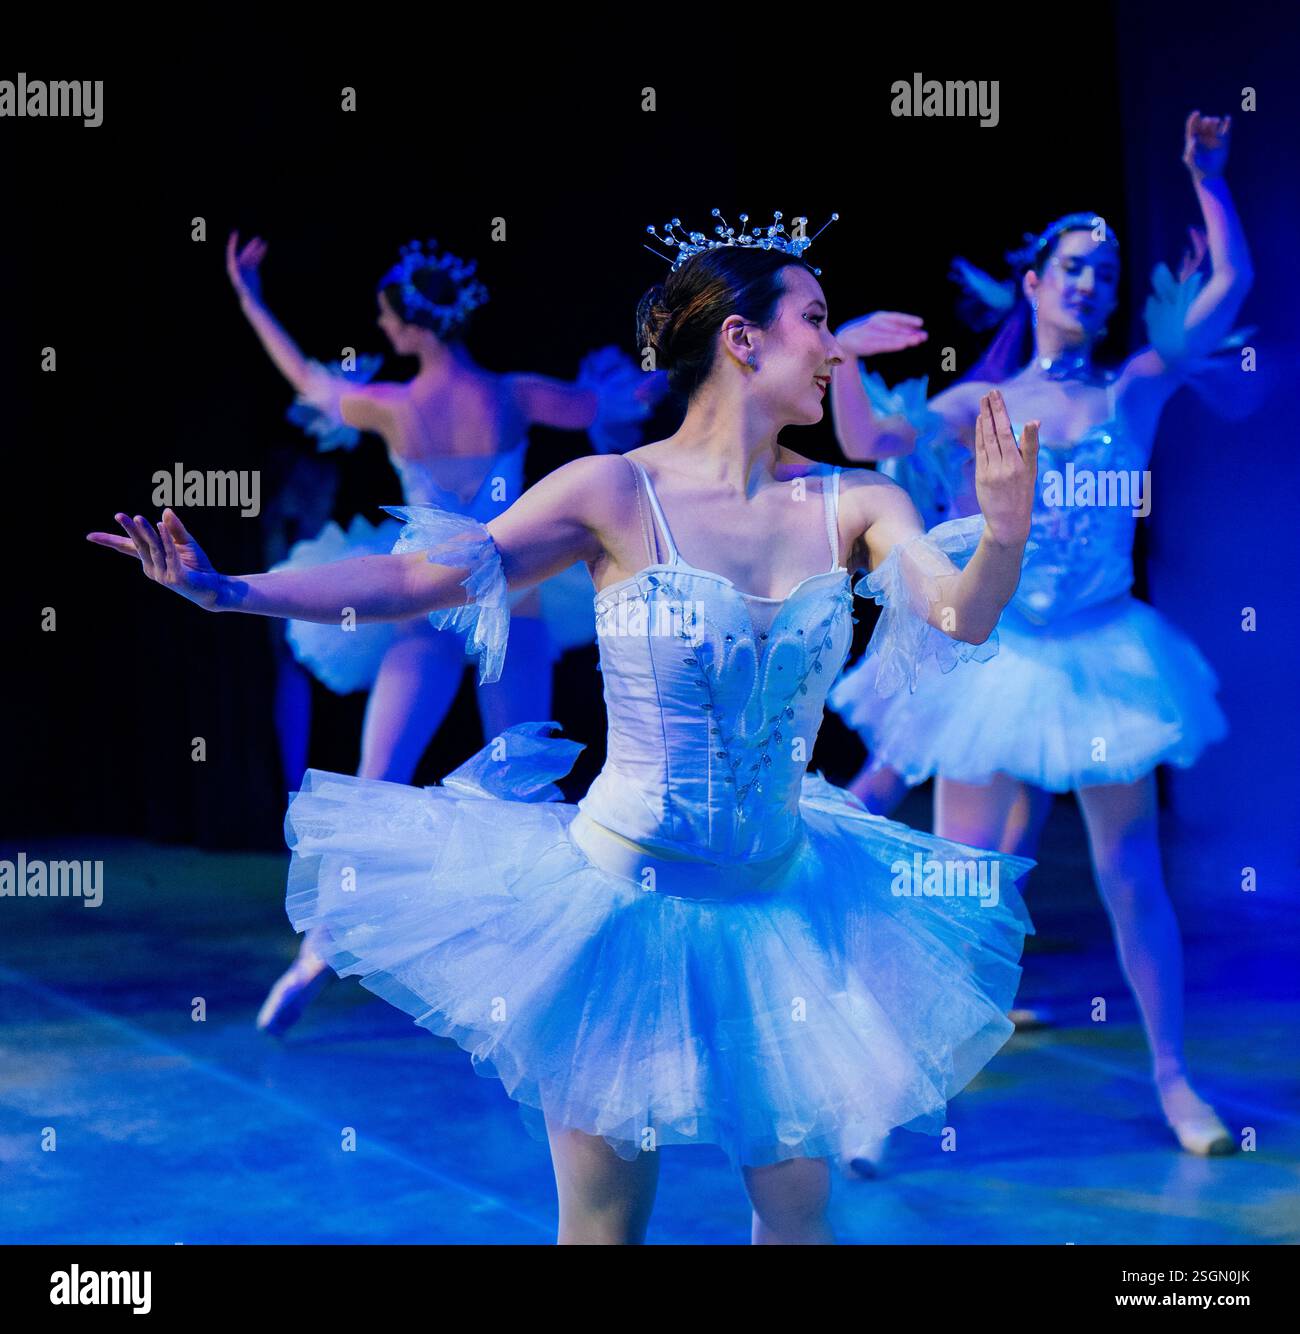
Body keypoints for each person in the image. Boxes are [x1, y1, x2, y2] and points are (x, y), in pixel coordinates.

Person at [90, 211, 1041, 1244]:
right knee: (600, 1227)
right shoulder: (612, 490)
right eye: (815, 319)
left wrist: (1000, 533)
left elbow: (961, 612)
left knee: (800, 1220)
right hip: (616, 909)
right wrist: (235, 591)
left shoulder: (855, 500)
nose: (831, 345)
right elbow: (418, 577)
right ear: (741, 339)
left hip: (782, 904)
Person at [827, 112, 1251, 1156]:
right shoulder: (980, 397)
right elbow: (868, 440)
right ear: (1032, 283)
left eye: (1104, 272)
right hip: (1000, 655)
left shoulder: (1132, 388)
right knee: (957, 878)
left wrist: (1204, 178)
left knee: (1129, 873)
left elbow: (1228, 286)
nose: (1090, 283)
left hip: (1106, 652)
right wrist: (835, 352)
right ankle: (895, 1082)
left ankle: (1172, 1079)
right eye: (1071, 267)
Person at [225, 232, 664, 1032]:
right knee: (522, 775)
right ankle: (547, 960)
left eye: (388, 320)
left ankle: (319, 947)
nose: (384, 333)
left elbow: (304, 380)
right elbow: (623, 401)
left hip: (425, 603)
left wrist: (251, 297)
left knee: (379, 774)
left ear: (414, 323)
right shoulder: (515, 393)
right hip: (511, 594)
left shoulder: (395, 406)